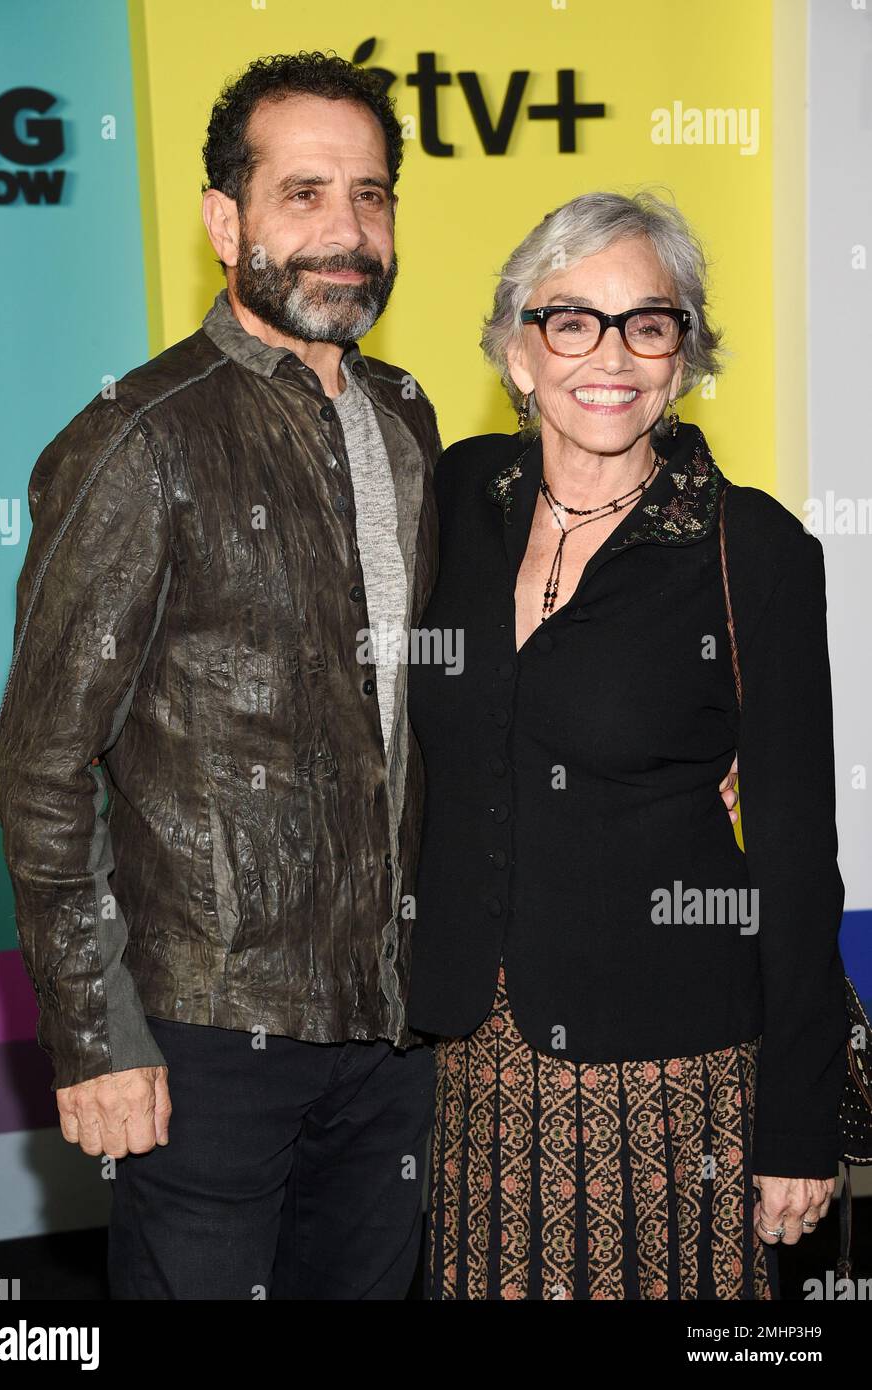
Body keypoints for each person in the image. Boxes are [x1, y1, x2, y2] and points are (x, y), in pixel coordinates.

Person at [0, 55, 741, 1301]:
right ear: (225, 220)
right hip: (206, 1032)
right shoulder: (138, 436)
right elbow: (41, 765)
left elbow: (463, 693)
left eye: (373, 195)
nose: (347, 231)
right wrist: (96, 1035)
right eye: (305, 193)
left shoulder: (409, 419)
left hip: (398, 1037)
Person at [406, 189, 850, 1301]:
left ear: (684, 353)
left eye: (648, 323)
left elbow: (796, 860)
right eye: (573, 320)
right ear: (518, 350)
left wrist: (799, 1122)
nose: (612, 355)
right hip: (475, 1063)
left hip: (670, 1071)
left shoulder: (753, 548)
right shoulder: (459, 495)